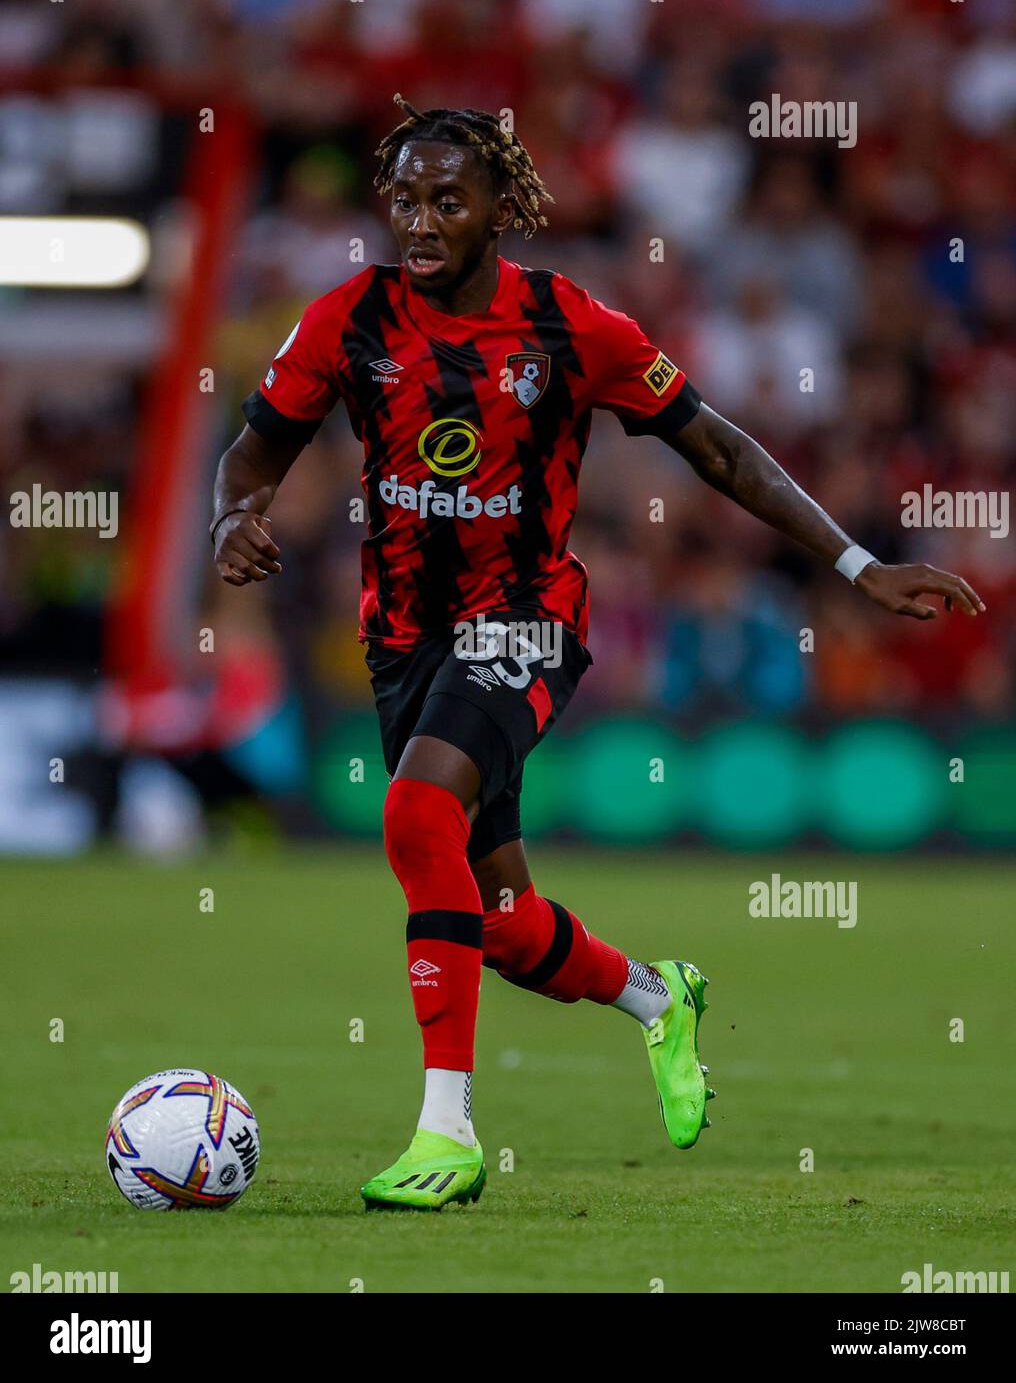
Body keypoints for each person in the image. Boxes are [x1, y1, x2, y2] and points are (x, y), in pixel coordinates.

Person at [210, 97, 985, 1211]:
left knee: (416, 815)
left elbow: (718, 449)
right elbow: (248, 458)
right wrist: (230, 520)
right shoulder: (347, 321)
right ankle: (657, 998)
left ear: (498, 211)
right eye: (404, 198)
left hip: (529, 614)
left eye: (446, 198)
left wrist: (858, 565)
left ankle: (446, 1132)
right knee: (501, 920)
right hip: (400, 642)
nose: (418, 219)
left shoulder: (572, 327)